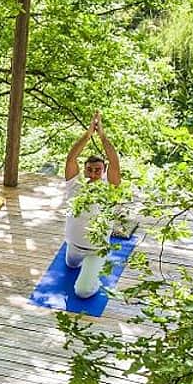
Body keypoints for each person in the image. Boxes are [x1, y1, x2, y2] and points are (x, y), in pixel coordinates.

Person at [63, 111, 122, 298]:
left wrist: (102, 136)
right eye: (89, 170)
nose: (93, 174)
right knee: (70, 265)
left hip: (96, 250)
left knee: (83, 291)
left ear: (104, 171)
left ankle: (95, 275)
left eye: (98, 170)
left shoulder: (109, 188)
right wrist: (88, 135)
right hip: (73, 245)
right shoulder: (75, 184)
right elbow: (71, 159)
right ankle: (82, 266)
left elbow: (114, 162)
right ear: (84, 170)